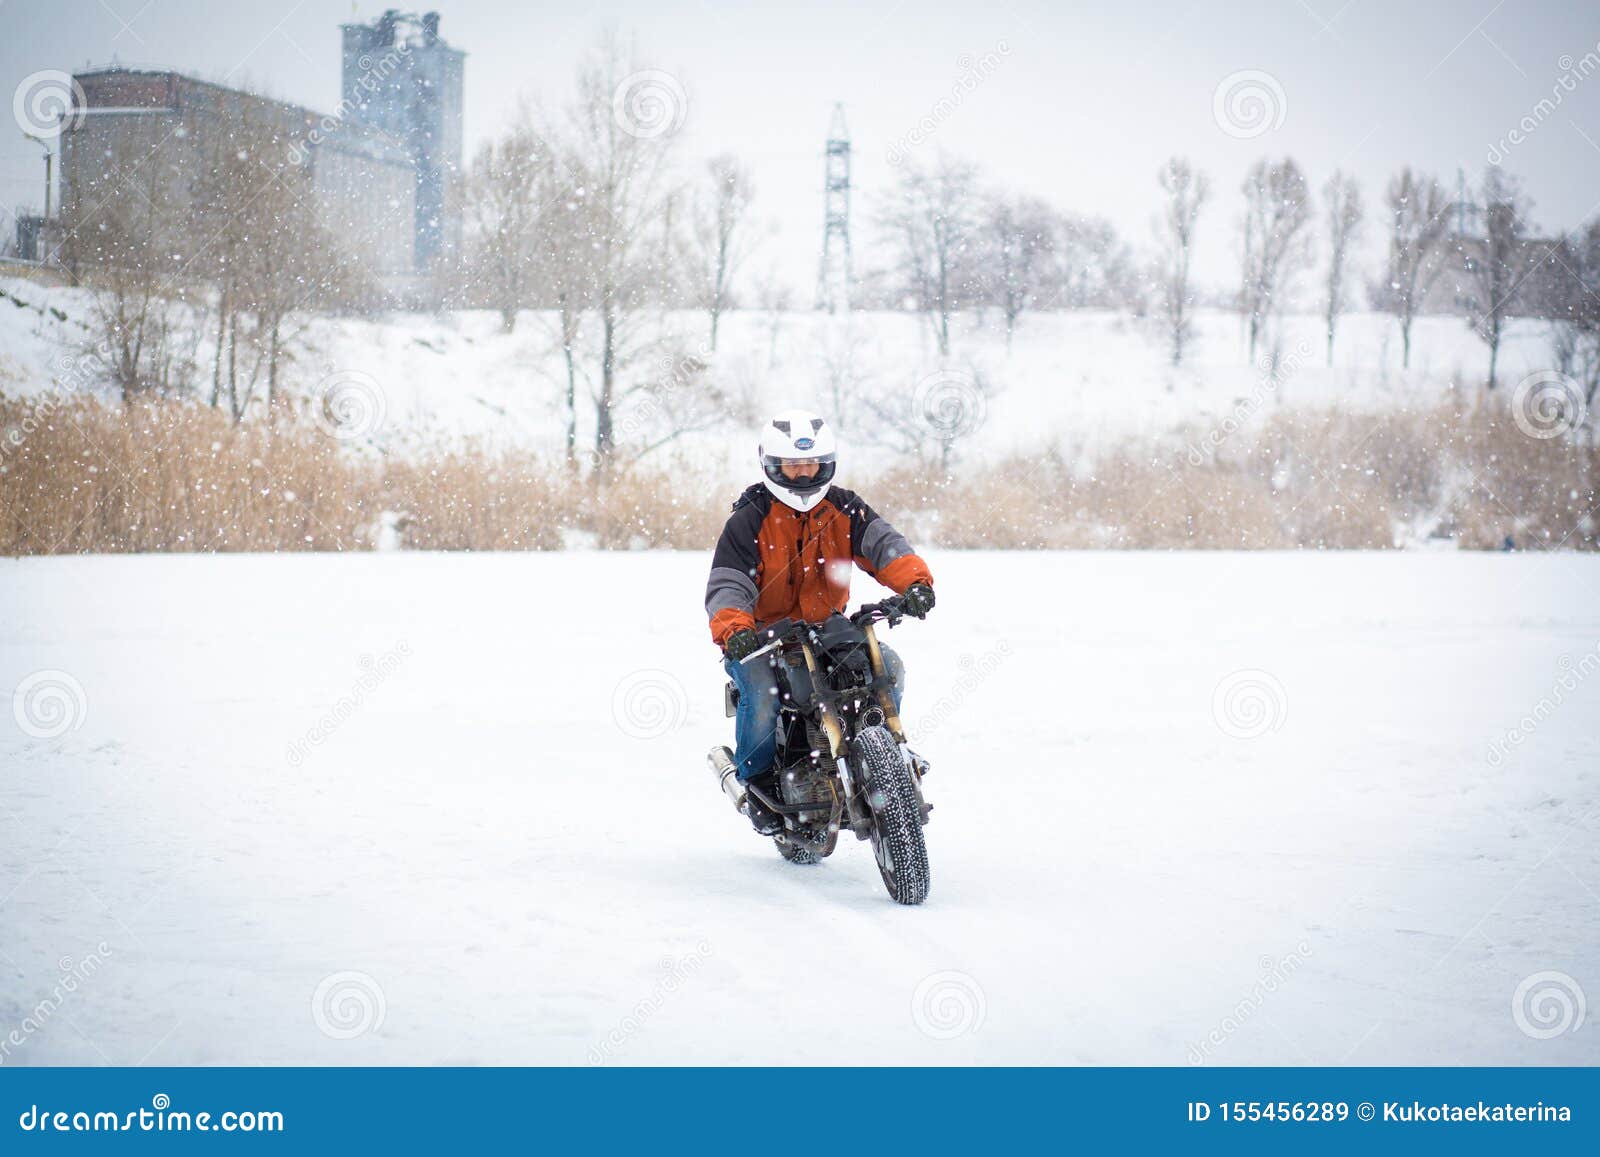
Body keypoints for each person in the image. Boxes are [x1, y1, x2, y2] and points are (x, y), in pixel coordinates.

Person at [704, 409, 935, 834]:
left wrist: (914, 584)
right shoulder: (749, 519)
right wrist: (734, 629)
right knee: (761, 689)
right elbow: (727, 585)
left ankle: (886, 756)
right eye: (792, 465)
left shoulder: (846, 508)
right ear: (772, 465)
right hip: (763, 638)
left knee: (888, 666)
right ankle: (756, 780)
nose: (802, 473)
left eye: (810, 463)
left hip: (828, 627)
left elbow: (885, 547)